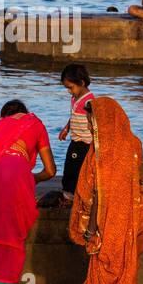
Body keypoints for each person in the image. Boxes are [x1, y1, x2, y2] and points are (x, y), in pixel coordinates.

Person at [68, 97, 143, 284]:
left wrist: (90, 228)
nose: (91, 124)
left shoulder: (99, 151)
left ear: (104, 120)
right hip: (128, 227)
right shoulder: (133, 143)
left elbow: (90, 194)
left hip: (106, 230)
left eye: (93, 119)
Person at [0, 100, 56, 284]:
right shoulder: (34, 123)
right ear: (24, 113)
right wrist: (31, 179)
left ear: (3, 116)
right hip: (19, 175)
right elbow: (50, 171)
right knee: (13, 236)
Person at [57, 63, 95, 202]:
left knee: (78, 170)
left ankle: (73, 194)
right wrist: (66, 128)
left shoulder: (89, 101)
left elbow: (96, 121)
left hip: (85, 143)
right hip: (75, 140)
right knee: (69, 167)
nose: (69, 91)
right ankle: (69, 193)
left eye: (70, 87)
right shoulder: (75, 98)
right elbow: (73, 115)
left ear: (82, 83)